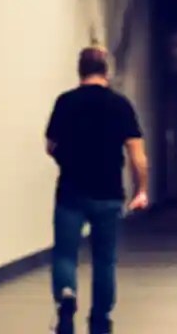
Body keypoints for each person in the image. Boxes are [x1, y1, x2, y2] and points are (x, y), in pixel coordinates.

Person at [46, 46, 149, 334]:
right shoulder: (120, 105)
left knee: (65, 253)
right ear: (107, 70)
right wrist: (142, 188)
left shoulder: (65, 102)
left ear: (80, 69)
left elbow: (50, 145)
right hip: (108, 192)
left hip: (71, 190)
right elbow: (137, 155)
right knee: (105, 258)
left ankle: (66, 294)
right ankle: (100, 318)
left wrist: (66, 158)